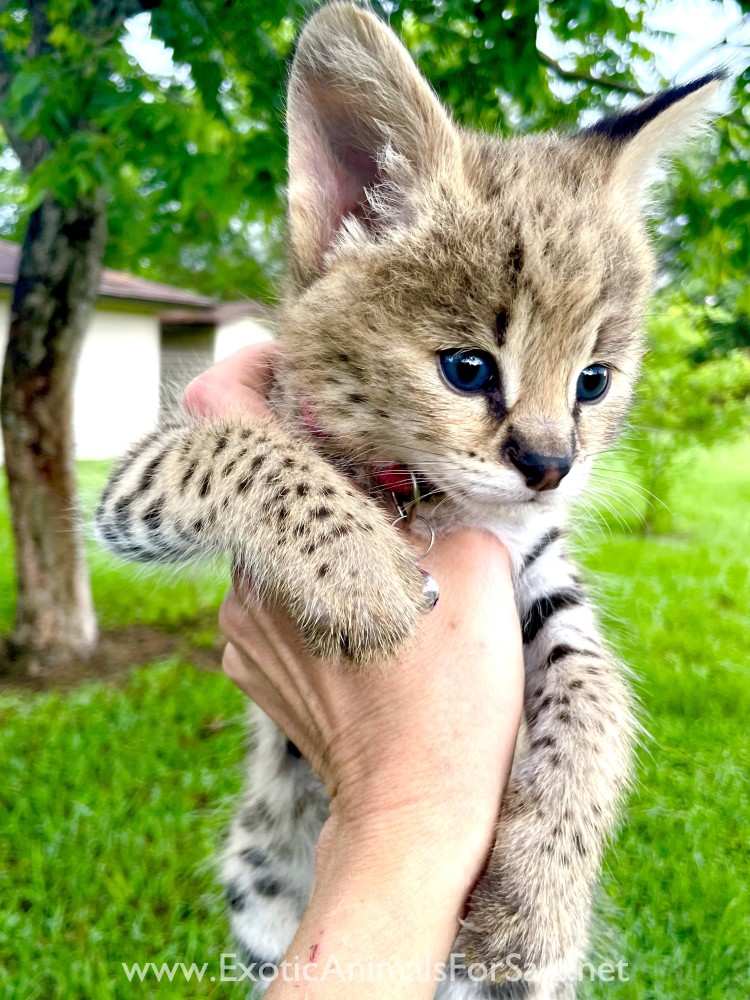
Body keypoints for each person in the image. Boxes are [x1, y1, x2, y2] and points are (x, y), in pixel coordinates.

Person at [184, 344, 525, 999]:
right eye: (468, 369)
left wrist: (558, 834)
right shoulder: (302, 404)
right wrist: (291, 493)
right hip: (282, 873)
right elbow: (128, 517)